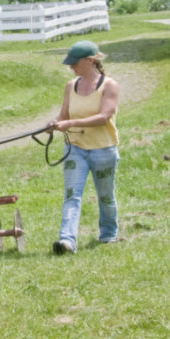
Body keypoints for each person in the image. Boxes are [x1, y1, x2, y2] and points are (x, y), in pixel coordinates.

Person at [49, 40, 120, 254]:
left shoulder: (109, 86)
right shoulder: (71, 86)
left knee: (105, 196)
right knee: (72, 194)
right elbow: (64, 116)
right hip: (75, 149)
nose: (71, 67)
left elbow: (103, 117)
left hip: (103, 149)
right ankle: (67, 241)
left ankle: (108, 234)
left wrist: (70, 124)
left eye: (74, 63)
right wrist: (55, 124)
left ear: (90, 61)